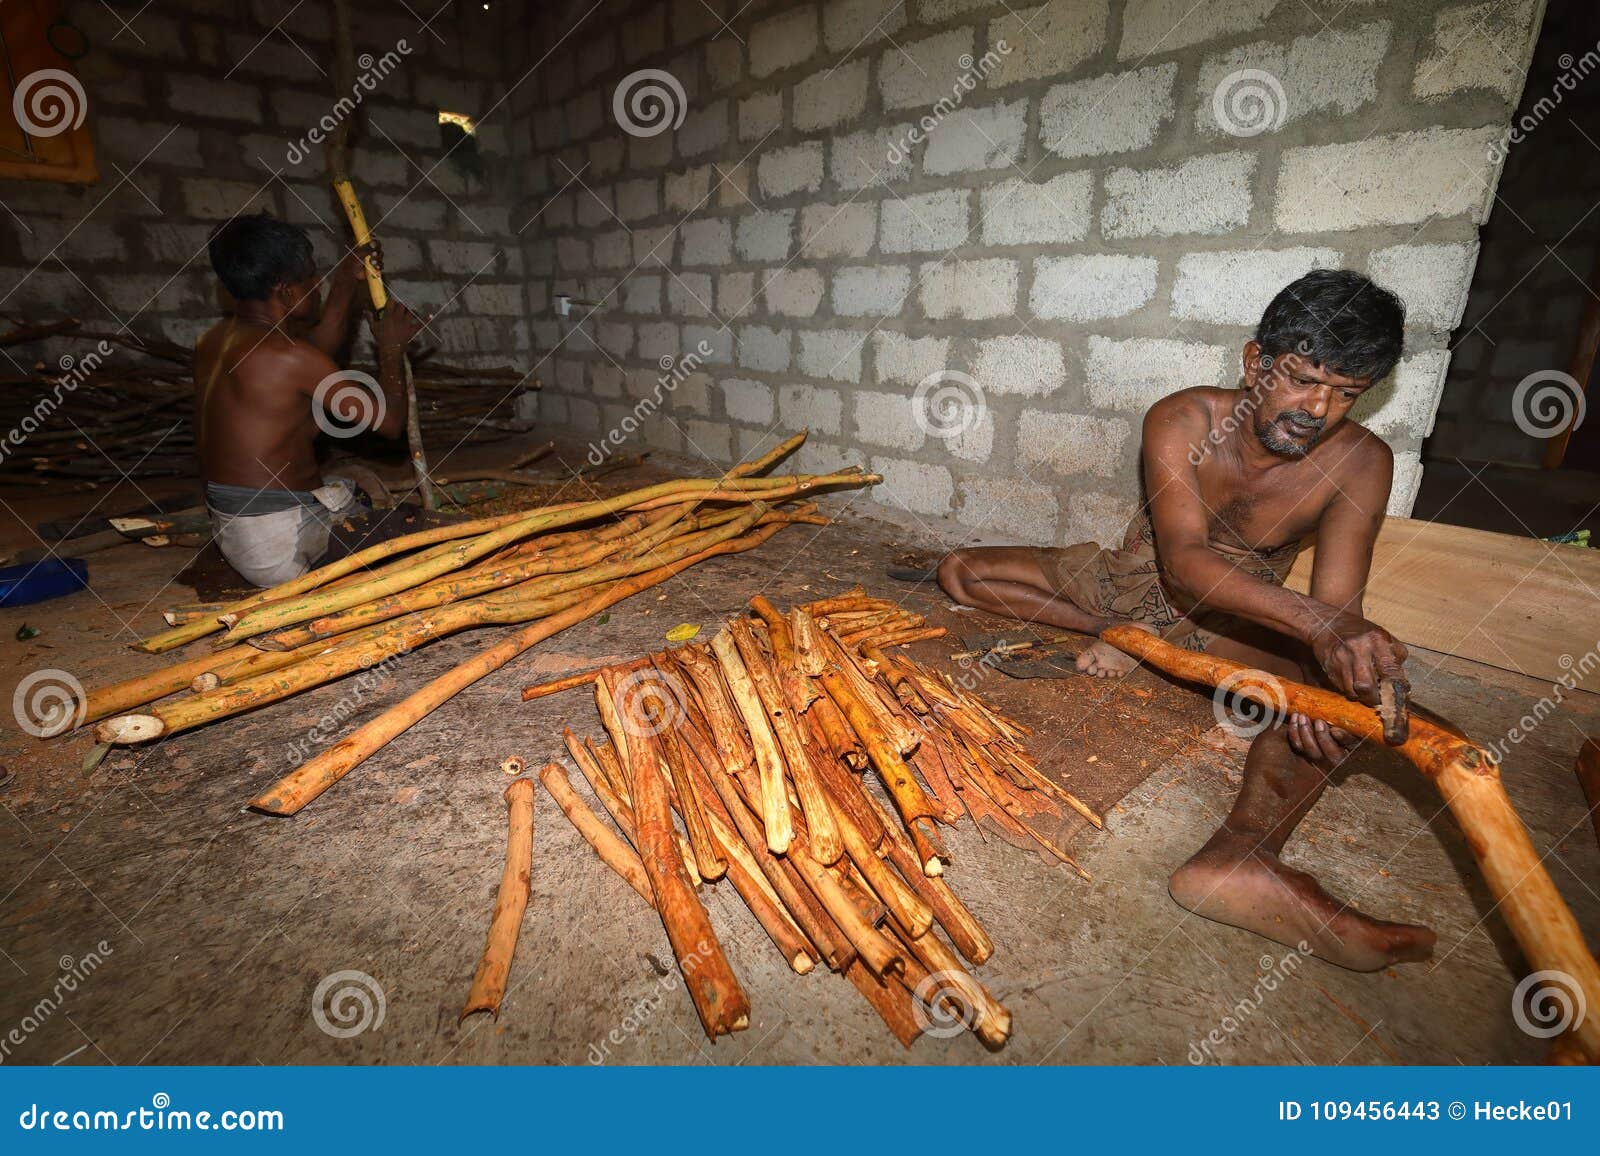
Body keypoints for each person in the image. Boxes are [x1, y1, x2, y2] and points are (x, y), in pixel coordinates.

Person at [938, 269, 1430, 972]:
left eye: (1346, 393)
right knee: (961, 571)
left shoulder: (1362, 462)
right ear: (1256, 362)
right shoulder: (1183, 418)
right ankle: (1126, 637)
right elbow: (1184, 563)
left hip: (1243, 616)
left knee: (1336, 703)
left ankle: (1243, 854)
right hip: (1140, 577)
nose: (1317, 408)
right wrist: (1318, 628)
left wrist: (1329, 661)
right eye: (1299, 379)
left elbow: (1338, 607)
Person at [193, 213, 425, 586]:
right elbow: (390, 423)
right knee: (417, 530)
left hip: (237, 533)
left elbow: (314, 351)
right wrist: (391, 349)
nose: (318, 284)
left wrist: (347, 282)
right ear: (285, 291)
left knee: (353, 496)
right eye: (311, 279)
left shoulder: (216, 342)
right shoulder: (290, 358)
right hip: (282, 547)